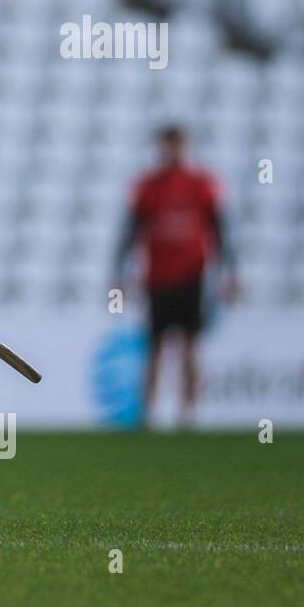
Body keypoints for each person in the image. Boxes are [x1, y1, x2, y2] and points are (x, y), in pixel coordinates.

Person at [115, 125, 238, 426]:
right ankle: (149, 413)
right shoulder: (149, 186)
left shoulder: (200, 184)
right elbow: (131, 231)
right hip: (157, 277)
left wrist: (230, 272)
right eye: (167, 145)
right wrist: (120, 273)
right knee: (154, 345)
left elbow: (219, 230)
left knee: (190, 344)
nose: (172, 151)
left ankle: (188, 413)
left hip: (191, 275)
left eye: (177, 145)